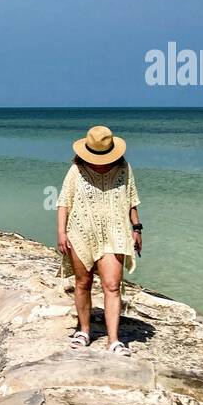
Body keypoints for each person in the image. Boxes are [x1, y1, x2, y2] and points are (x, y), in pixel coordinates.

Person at [56, 125, 143, 355]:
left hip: (115, 233)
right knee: (82, 283)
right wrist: (62, 233)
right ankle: (84, 330)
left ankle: (113, 339)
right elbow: (64, 201)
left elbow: (131, 200)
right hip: (81, 233)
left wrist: (137, 228)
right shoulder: (77, 170)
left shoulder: (124, 169)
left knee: (112, 286)